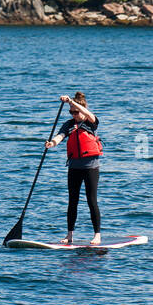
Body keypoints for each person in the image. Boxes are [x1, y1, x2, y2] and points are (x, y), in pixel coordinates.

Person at [46, 91, 103, 245]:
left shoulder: (91, 122)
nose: (73, 115)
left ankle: (97, 235)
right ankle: (69, 235)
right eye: (71, 112)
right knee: (72, 201)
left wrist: (71, 101)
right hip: (74, 167)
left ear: (82, 109)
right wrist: (52, 143)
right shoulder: (69, 124)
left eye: (75, 112)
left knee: (91, 201)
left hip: (91, 167)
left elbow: (88, 114)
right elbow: (60, 136)